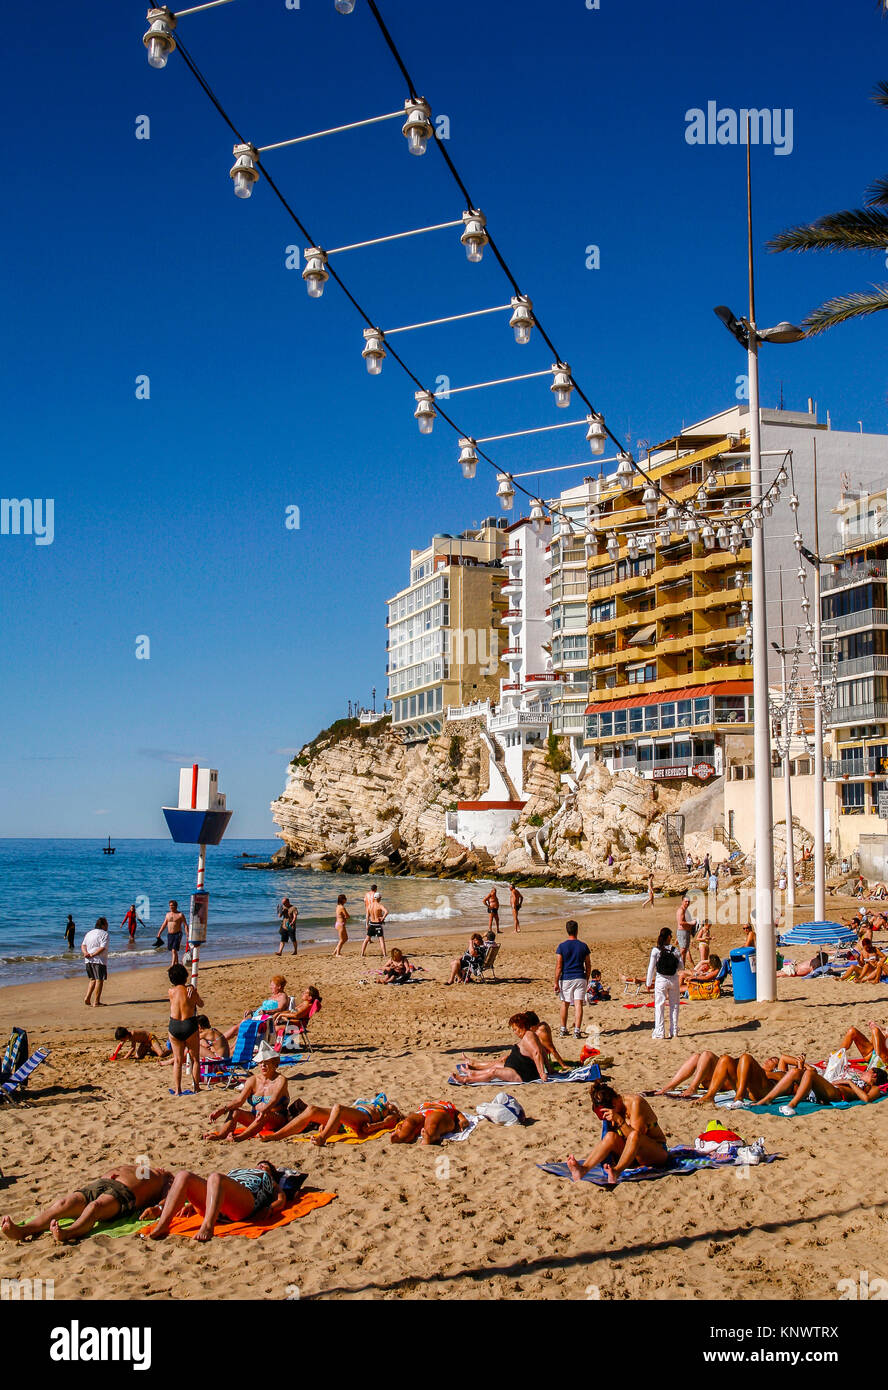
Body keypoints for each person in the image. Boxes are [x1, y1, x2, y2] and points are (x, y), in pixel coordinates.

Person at [1, 1164, 173, 1245]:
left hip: (125, 1193)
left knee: (95, 1208)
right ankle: (23, 1230)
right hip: (100, 1184)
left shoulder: (167, 1178)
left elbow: (170, 1198)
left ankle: (69, 1232)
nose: (163, 1167)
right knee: (63, 1203)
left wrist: (157, 1208)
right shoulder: (143, 1166)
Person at [145, 1161, 287, 1243]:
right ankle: (163, 1225)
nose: (261, 1167)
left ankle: (207, 1226)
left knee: (215, 1177)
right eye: (259, 1165)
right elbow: (214, 1189)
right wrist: (192, 1205)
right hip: (218, 1205)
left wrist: (270, 1209)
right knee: (184, 1175)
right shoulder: (237, 1172)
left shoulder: (269, 1179)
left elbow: (281, 1198)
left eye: (265, 1166)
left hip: (245, 1201)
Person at [566, 1082, 668, 1185]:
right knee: (610, 1136)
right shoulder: (612, 1109)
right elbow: (608, 1138)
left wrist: (620, 1121)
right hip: (632, 1157)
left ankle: (617, 1171)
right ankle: (583, 1169)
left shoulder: (635, 1103)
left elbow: (637, 1138)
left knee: (634, 1135)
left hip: (655, 1153)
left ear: (614, 1102)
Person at [205, 1044, 290, 1141]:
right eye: (260, 1062)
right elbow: (239, 1100)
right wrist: (222, 1110)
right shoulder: (252, 1080)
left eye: (266, 1062)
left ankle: (241, 1137)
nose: (263, 1065)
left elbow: (274, 1100)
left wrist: (264, 1110)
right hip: (255, 1117)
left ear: (275, 1064)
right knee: (235, 1111)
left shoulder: (280, 1080)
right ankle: (220, 1136)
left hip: (276, 1119)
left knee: (265, 1113)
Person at [264, 1092, 402, 1145]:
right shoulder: (370, 1102)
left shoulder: (392, 1113)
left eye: (389, 1103)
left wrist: (374, 1127)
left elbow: (386, 1123)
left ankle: (322, 1138)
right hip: (349, 1118)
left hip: (364, 1118)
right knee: (312, 1109)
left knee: (338, 1108)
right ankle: (277, 1135)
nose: (386, 1102)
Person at [450, 1013, 549, 1085]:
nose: (514, 1032)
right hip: (515, 1067)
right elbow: (542, 1052)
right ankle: (472, 1071)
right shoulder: (528, 1036)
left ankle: (466, 1080)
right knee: (496, 1065)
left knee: (494, 1072)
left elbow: (537, 1053)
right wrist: (550, 1069)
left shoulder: (529, 1036)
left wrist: (542, 1073)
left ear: (521, 1026)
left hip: (521, 1074)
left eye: (515, 1029)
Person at [167, 963, 203, 1095]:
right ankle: (196, 1087)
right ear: (186, 976)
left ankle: (178, 1089)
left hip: (175, 1025)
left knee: (177, 1060)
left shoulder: (170, 992)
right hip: (189, 1024)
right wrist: (193, 989)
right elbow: (201, 1004)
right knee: (195, 1059)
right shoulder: (191, 991)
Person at [554, 919, 591, 1039]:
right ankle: (577, 1030)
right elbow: (588, 964)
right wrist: (586, 977)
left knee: (564, 1003)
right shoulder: (583, 946)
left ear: (567, 931)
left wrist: (555, 982)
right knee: (578, 1004)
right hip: (580, 976)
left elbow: (559, 966)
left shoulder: (562, 946)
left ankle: (563, 1028)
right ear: (577, 930)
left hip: (566, 977)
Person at [647, 927, 681, 1041]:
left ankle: (660, 1031)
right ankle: (674, 1031)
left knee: (659, 1006)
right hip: (674, 979)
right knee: (674, 1005)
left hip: (661, 979)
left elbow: (651, 968)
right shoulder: (675, 950)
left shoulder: (656, 950)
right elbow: (681, 966)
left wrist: (648, 982)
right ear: (669, 937)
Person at [390, 1100, 470, 1145]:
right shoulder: (426, 1104)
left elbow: (457, 1113)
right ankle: (403, 1135)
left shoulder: (449, 1107)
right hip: (422, 1113)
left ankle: (430, 1136)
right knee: (410, 1121)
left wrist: (462, 1120)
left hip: (440, 1113)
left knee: (433, 1121)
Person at [81, 916, 110, 1007]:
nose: (108, 925)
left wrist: (86, 953)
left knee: (92, 979)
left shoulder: (89, 933)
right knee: (99, 980)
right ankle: (96, 1001)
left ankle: (87, 997)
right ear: (103, 925)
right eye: (106, 924)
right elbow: (102, 948)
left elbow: (83, 945)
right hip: (99, 960)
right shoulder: (105, 934)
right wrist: (93, 954)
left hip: (88, 960)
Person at [159, 900, 188, 966]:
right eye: (170, 905)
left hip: (178, 934)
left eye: (172, 905)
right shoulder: (167, 914)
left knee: (174, 950)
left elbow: (185, 925)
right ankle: (177, 964)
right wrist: (159, 933)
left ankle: (172, 966)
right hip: (170, 934)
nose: (171, 907)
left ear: (175, 906)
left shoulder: (180, 915)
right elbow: (164, 924)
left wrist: (187, 935)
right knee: (173, 950)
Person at [362, 891, 388, 958]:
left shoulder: (369, 906)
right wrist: (383, 918)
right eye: (380, 898)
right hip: (378, 925)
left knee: (367, 939)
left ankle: (362, 953)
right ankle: (384, 954)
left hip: (371, 924)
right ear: (379, 898)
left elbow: (367, 916)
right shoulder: (379, 905)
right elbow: (386, 911)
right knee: (381, 940)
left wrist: (366, 925)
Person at [675, 898, 697, 967]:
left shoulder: (686, 910)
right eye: (685, 901)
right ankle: (681, 967)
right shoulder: (681, 910)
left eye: (688, 901)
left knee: (685, 950)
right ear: (682, 901)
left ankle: (682, 967)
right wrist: (691, 923)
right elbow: (681, 922)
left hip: (686, 932)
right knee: (683, 951)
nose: (687, 903)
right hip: (682, 932)